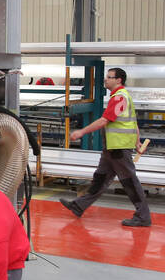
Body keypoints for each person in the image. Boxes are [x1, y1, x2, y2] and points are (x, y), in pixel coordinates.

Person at [59, 67, 152, 227]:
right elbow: (133, 122)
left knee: (129, 181)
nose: (105, 80)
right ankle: (79, 205)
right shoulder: (122, 97)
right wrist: (137, 141)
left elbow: (104, 120)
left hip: (118, 148)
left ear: (119, 80)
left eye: (109, 77)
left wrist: (82, 132)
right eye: (106, 77)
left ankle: (143, 216)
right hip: (112, 148)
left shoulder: (119, 98)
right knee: (100, 179)